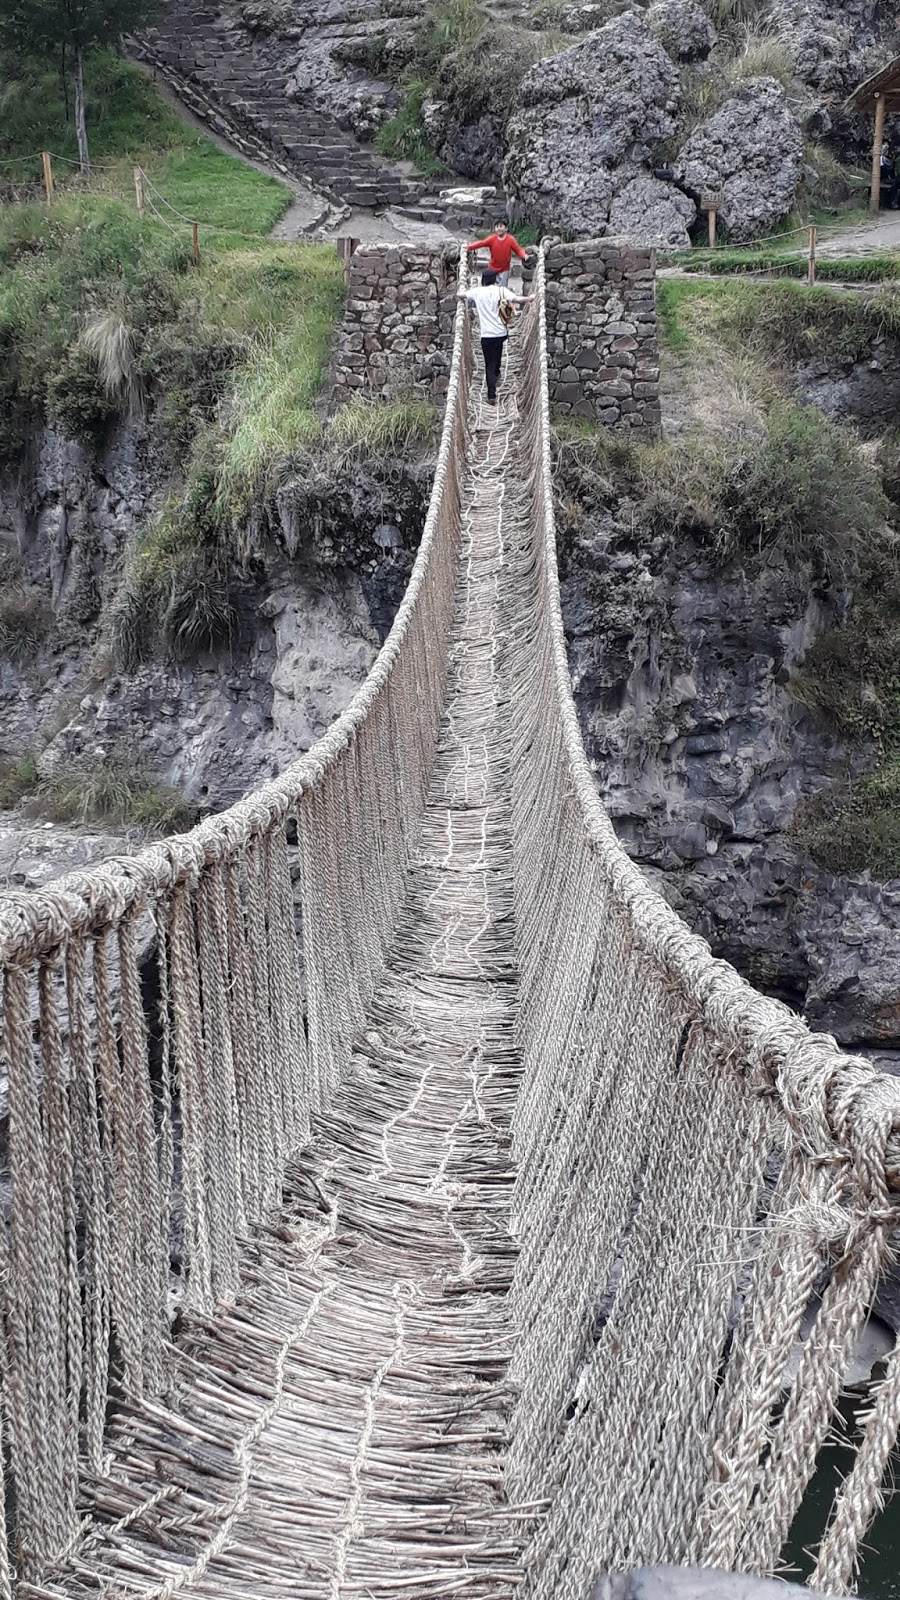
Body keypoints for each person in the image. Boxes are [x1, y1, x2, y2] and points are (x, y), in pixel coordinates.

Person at [459, 268, 534, 404]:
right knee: (497, 357)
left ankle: (491, 395)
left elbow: (461, 295)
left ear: (483, 279)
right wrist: (530, 298)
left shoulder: (477, 292)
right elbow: (517, 299)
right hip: (500, 333)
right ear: (495, 279)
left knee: (489, 364)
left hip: (486, 335)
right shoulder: (501, 291)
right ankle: (497, 373)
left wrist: (460, 289)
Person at [466, 220, 528, 285]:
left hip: (504, 269)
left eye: (501, 226)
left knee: (502, 289)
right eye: (497, 227)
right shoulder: (492, 239)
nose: (499, 228)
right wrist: (469, 247)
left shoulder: (510, 240)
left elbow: (517, 250)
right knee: (489, 287)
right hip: (492, 267)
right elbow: (482, 243)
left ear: (506, 228)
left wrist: (523, 255)